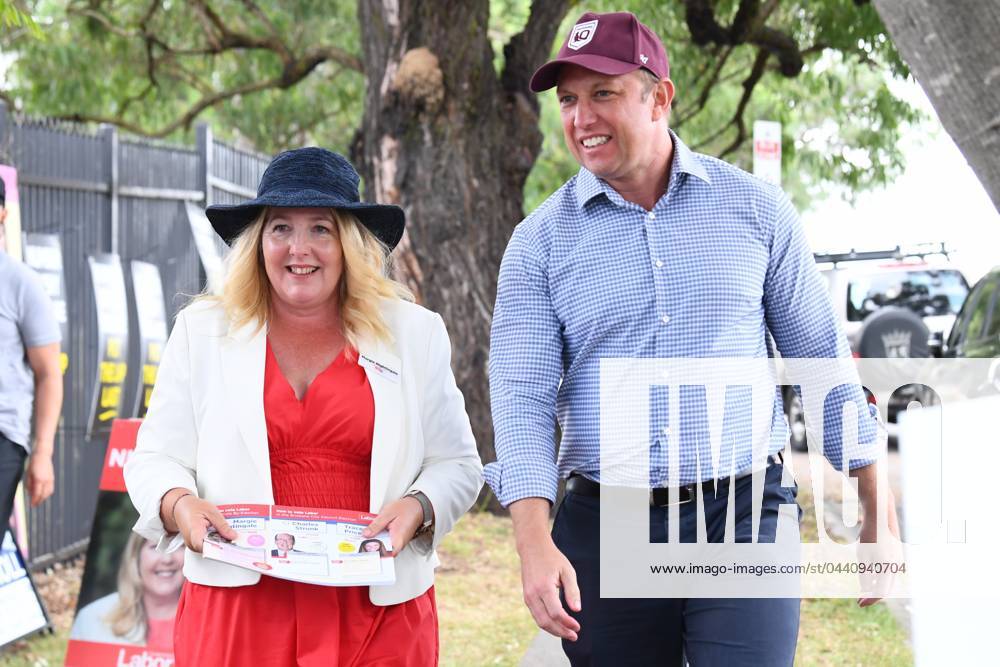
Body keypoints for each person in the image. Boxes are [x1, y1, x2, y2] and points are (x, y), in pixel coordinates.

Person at [486, 11, 900, 666]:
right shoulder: (539, 243)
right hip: (606, 523)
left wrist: (877, 509)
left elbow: (819, 359)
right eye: (568, 99)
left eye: (603, 93)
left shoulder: (757, 211)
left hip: (743, 515)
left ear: (659, 96)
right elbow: (521, 401)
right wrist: (533, 542)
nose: (581, 117)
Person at [124, 147, 483, 666]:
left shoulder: (414, 334)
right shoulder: (202, 332)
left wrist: (417, 509)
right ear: (258, 242)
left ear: (351, 243)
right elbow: (154, 457)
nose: (299, 247)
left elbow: (457, 465)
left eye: (321, 228)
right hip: (240, 611)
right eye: (280, 228)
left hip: (375, 608)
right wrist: (180, 504)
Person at [0, 175, 62, 527]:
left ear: (3, 215)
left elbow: (49, 373)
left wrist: (43, 453)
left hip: (4, 436)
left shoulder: (20, 283)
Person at [70, 533, 184, 652]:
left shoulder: (204, 622)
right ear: (135, 556)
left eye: (178, 546)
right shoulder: (91, 619)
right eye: (155, 547)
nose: (167, 559)